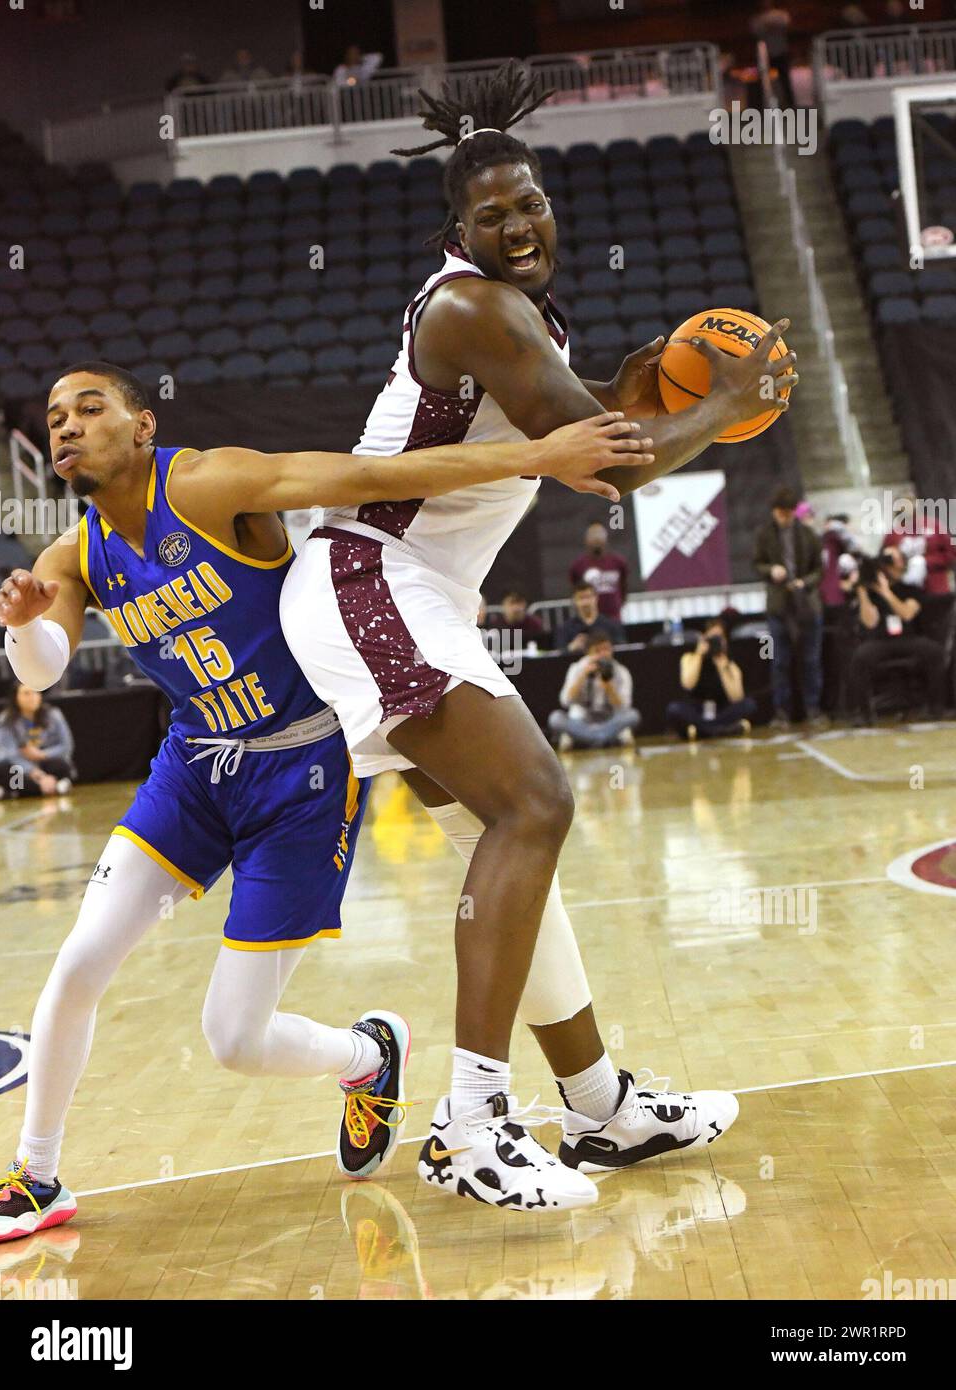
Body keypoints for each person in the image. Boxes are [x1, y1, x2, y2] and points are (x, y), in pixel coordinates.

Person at [280, 62, 796, 1210]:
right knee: (540, 803)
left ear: (551, 207)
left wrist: (662, 389)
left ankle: (601, 1104)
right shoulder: (473, 306)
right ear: (456, 232)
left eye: (532, 202)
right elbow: (613, 466)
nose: (519, 223)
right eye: (492, 212)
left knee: (517, 844)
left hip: (404, 593)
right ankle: (469, 1121)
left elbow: (595, 423)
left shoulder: (517, 318)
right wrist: (731, 399)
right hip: (371, 575)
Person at [0, 360, 634, 1244]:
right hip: (194, 766)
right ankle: (39, 1175)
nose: (65, 425)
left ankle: (370, 1057)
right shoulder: (72, 554)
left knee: (234, 1040)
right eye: (55, 415)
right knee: (78, 963)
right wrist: (23, 621)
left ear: (141, 426)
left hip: (302, 773)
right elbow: (45, 667)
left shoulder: (210, 482)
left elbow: (366, 478)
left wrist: (536, 454)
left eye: (89, 407)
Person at [753, 484, 826, 731]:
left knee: (811, 659)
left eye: (788, 513)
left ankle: (813, 709)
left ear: (794, 512)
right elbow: (756, 564)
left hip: (807, 605)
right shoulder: (764, 534)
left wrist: (803, 583)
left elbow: (819, 570)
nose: (783, 518)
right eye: (780, 513)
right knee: (779, 661)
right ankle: (782, 712)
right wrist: (771, 570)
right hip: (778, 607)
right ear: (774, 511)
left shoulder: (808, 535)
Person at [845, 545, 946, 723]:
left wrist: (886, 592)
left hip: (908, 639)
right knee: (860, 657)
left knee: (935, 652)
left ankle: (936, 707)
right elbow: (869, 622)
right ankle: (863, 713)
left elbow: (907, 613)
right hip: (880, 640)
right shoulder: (870, 593)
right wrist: (862, 591)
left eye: (894, 560)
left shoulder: (910, 588)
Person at [548, 630, 640, 751]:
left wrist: (608, 686)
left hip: (610, 719)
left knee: (633, 716)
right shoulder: (577, 668)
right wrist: (582, 677)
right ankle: (607, 737)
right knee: (555, 718)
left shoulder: (621, 671)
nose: (603, 654)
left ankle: (583, 738)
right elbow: (565, 701)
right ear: (588, 653)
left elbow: (624, 706)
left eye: (606, 649)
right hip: (582, 720)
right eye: (597, 651)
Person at [667, 618, 757, 740]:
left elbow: (736, 697)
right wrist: (699, 655)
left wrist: (723, 667)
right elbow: (688, 684)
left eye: (719, 638)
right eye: (711, 638)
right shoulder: (689, 658)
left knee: (749, 705)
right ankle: (721, 730)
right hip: (697, 710)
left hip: (722, 710)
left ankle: (703, 731)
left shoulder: (730, 664)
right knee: (674, 709)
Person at [0, 683, 75, 799]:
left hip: (43, 762)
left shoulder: (54, 714)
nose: (32, 697)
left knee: (62, 766)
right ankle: (51, 787)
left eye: (35, 692)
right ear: (15, 697)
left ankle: (12, 793)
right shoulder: (5, 720)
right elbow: (9, 753)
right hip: (20, 768)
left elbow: (66, 746)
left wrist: (42, 754)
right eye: (26, 694)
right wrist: (37, 774)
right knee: (1, 771)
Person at [569, 521, 627, 620]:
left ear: (606, 538)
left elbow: (624, 586)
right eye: (593, 536)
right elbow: (574, 589)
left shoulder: (618, 562)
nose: (596, 539)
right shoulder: (578, 565)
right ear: (586, 540)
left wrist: (618, 604)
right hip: (590, 618)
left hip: (614, 617)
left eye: (599, 535)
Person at [557, 581, 625, 652]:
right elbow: (557, 653)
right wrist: (571, 647)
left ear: (596, 598)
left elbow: (622, 648)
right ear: (574, 601)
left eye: (588, 597)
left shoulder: (612, 624)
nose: (585, 602)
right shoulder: (565, 628)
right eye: (581, 598)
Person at [750, 3, 794, 109]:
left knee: (785, 80)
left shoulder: (781, 14)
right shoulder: (757, 18)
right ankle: (763, 106)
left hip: (780, 51)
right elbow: (755, 31)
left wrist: (771, 26)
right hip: (765, 54)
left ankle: (790, 104)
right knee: (764, 80)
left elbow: (787, 25)